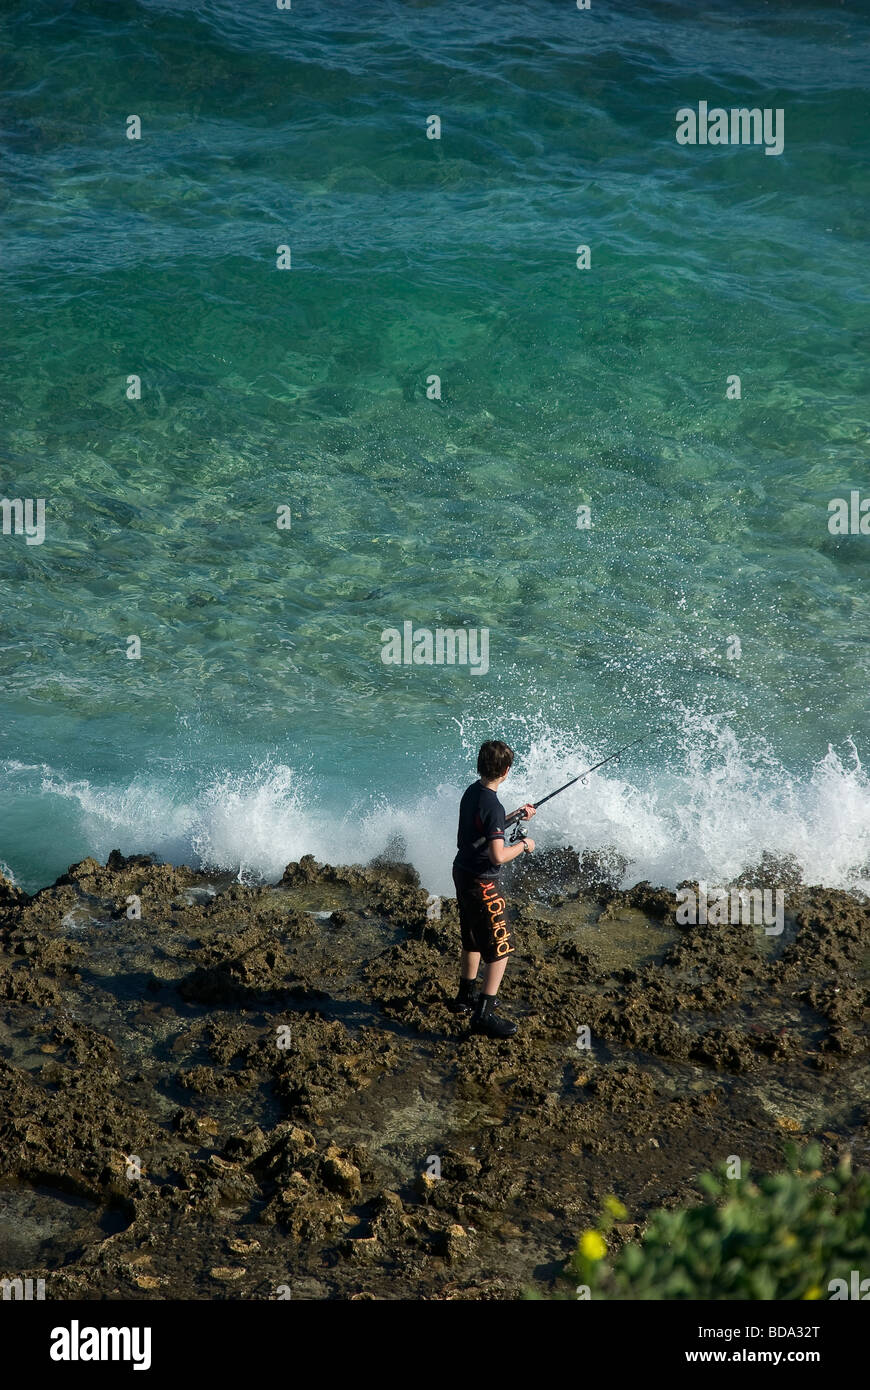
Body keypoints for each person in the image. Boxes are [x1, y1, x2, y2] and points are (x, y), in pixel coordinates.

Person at [451, 739, 535, 1038]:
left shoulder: (473, 793)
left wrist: (515, 814)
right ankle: (483, 1015)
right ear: (507, 771)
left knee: (472, 936)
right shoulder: (493, 806)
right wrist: (523, 845)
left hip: (462, 872)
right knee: (501, 946)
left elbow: (485, 825)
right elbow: (497, 855)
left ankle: (465, 997)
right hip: (482, 881)